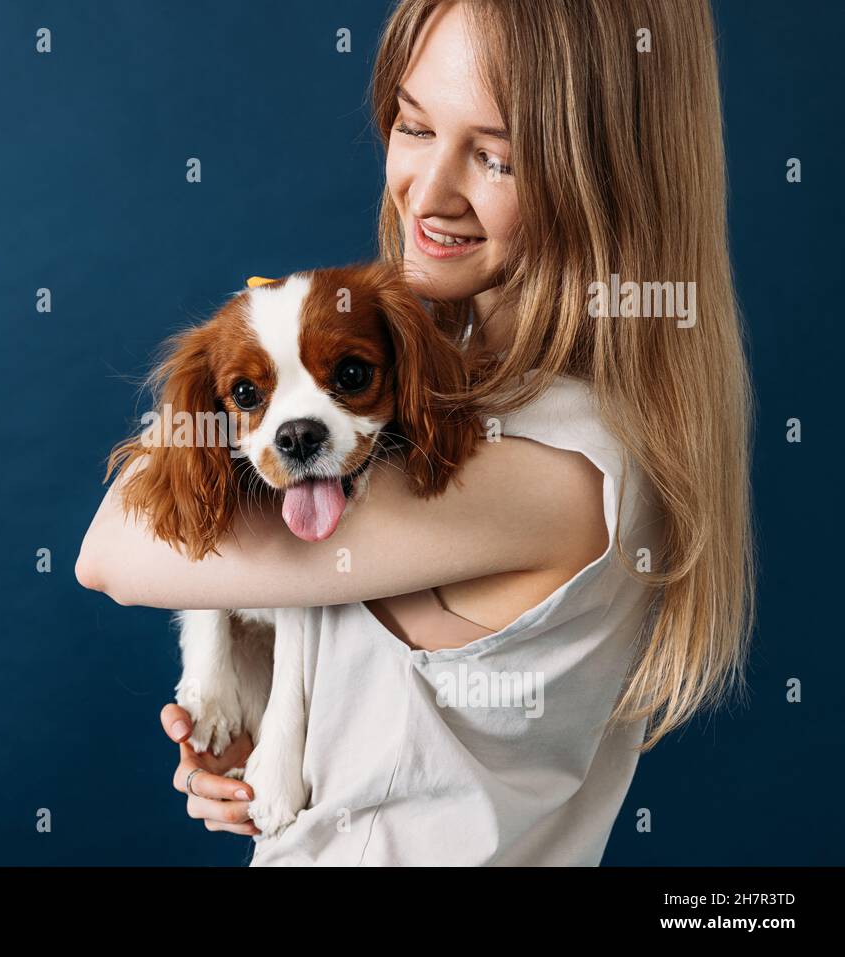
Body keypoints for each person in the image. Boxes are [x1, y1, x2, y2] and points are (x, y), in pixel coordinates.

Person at [76, 0, 754, 865]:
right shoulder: (449, 382)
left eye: (497, 157)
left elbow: (111, 548)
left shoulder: (561, 463)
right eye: (413, 124)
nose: (428, 195)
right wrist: (281, 748)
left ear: (609, 176)